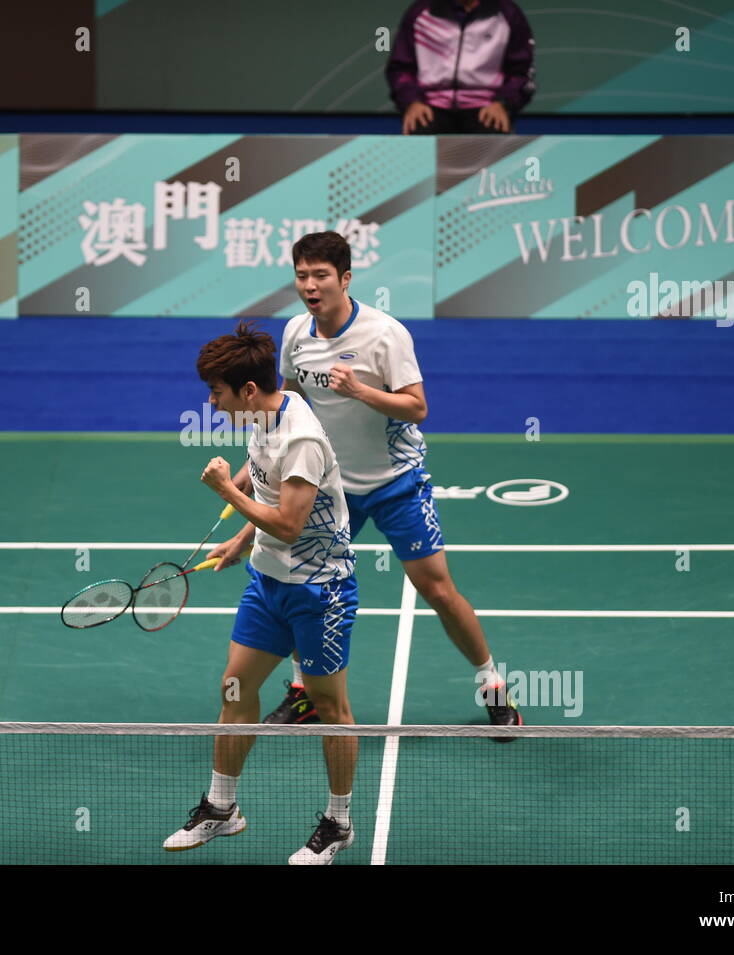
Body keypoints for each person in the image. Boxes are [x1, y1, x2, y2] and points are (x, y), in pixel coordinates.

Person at [244, 231, 523, 737]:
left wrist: (361, 391)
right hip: (330, 487)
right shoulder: (294, 335)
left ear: (345, 278)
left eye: (320, 275)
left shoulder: (385, 334)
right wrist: (261, 466)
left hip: (395, 481)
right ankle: (303, 689)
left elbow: (418, 407)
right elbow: (286, 403)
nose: (309, 285)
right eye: (302, 275)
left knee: (436, 587)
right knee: (302, 582)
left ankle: (493, 685)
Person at [164, 321, 359, 865]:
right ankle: (222, 809)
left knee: (329, 707)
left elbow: (292, 523)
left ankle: (338, 823)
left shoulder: (301, 438)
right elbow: (267, 487)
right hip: (267, 581)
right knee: (234, 689)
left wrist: (227, 490)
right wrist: (239, 537)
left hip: (319, 589)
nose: (211, 402)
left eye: (217, 393)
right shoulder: (268, 410)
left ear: (247, 390)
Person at [387, 0, 535, 135]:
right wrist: (413, 101)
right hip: (429, 105)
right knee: (417, 133)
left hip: (487, 106)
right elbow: (400, 68)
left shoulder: (507, 13)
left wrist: (503, 103)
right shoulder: (421, 12)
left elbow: (521, 71)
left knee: (495, 135)